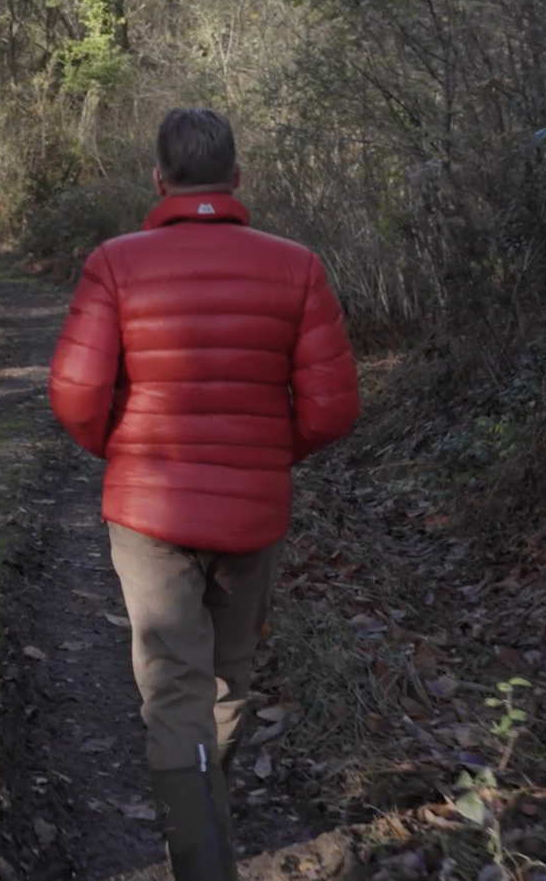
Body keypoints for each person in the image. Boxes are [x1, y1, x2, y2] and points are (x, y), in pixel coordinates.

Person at [47, 109, 360, 880]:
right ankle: (203, 822)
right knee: (229, 678)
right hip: (253, 511)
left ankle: (199, 856)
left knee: (170, 681)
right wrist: (262, 456)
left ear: (158, 179)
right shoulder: (297, 266)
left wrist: (117, 449)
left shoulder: (115, 263)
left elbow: (74, 395)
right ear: (237, 178)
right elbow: (332, 407)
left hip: (148, 508)